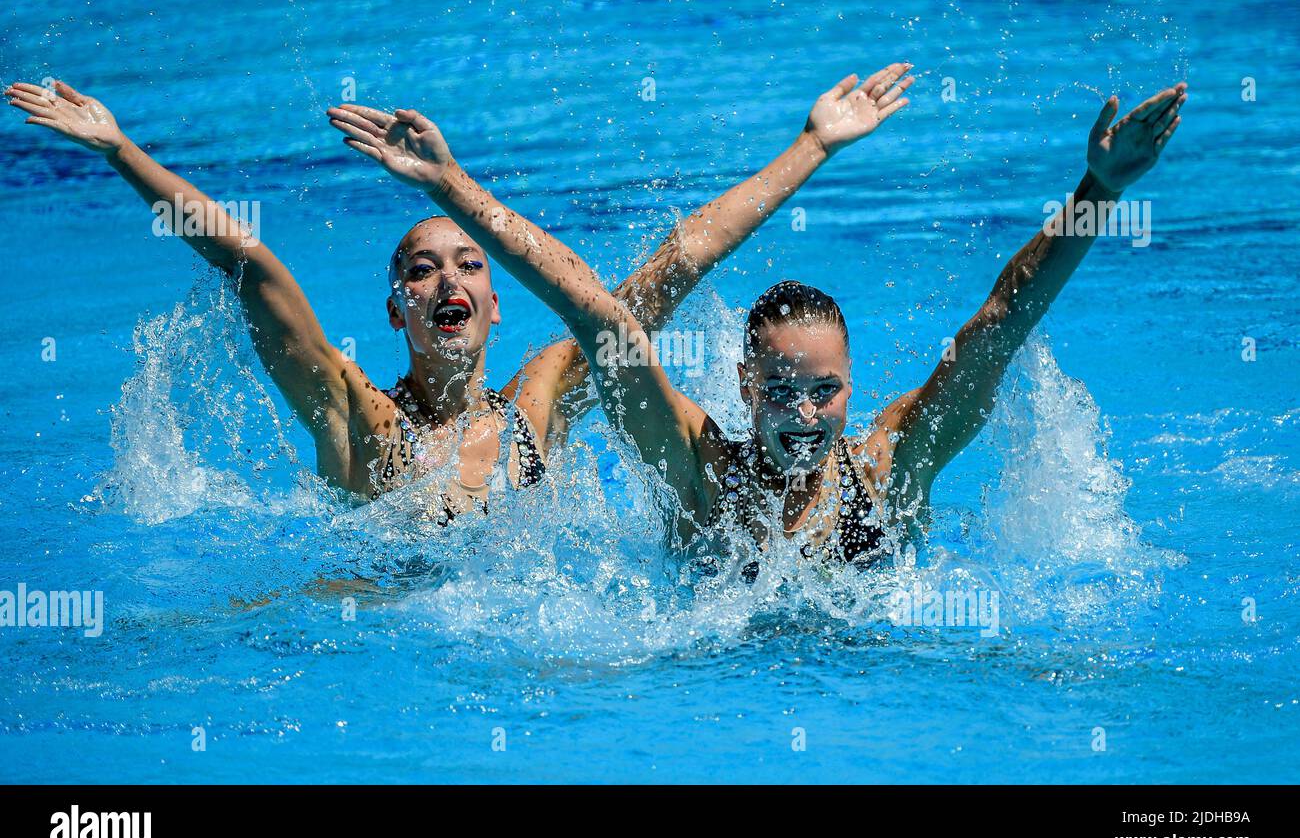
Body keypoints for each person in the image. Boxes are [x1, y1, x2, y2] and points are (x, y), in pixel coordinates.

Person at [327, 72, 1185, 575]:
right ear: (745, 387)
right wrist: (451, 190)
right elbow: (597, 313)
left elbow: (1000, 323)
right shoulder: (700, 473)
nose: (804, 414)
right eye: (781, 390)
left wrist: (1097, 192)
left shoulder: (887, 472)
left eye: (825, 391)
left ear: (854, 387)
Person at [6, 63, 914, 524]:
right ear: (396, 309)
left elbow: (677, 264)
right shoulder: (359, 417)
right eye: (422, 268)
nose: (450, 277)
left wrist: (814, 147)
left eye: (470, 264)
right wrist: (122, 153)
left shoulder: (540, 405)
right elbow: (251, 266)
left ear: (496, 301)